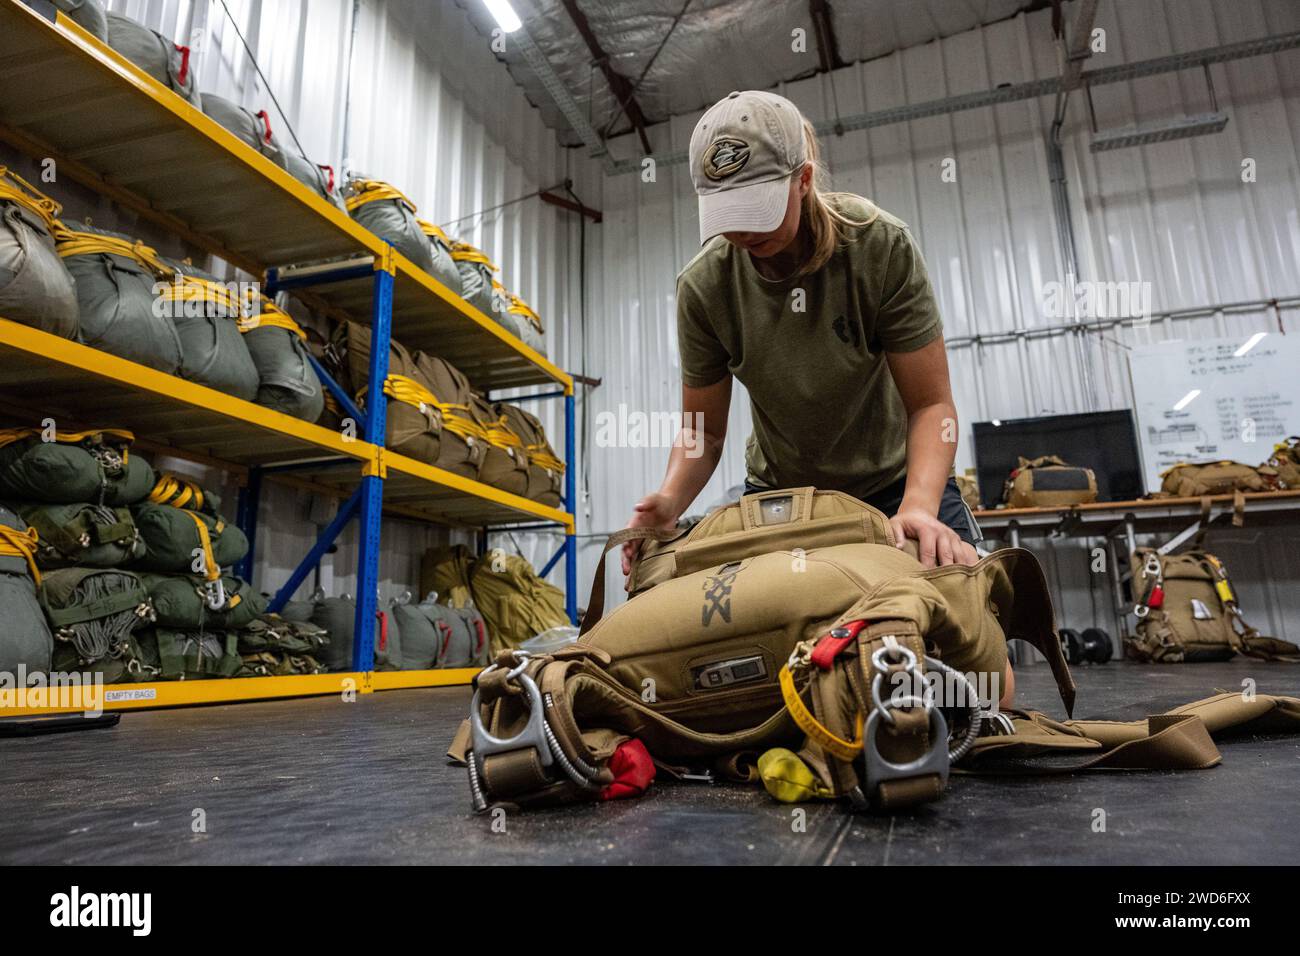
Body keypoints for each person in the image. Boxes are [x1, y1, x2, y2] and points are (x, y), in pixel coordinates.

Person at [622, 90, 1009, 703]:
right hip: (783, 501)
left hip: (897, 489)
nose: (743, 231)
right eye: (726, 213)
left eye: (758, 208)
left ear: (803, 179)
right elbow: (705, 433)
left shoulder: (879, 247)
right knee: (780, 677)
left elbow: (932, 407)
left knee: (985, 690)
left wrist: (919, 509)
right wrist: (670, 498)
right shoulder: (704, 287)